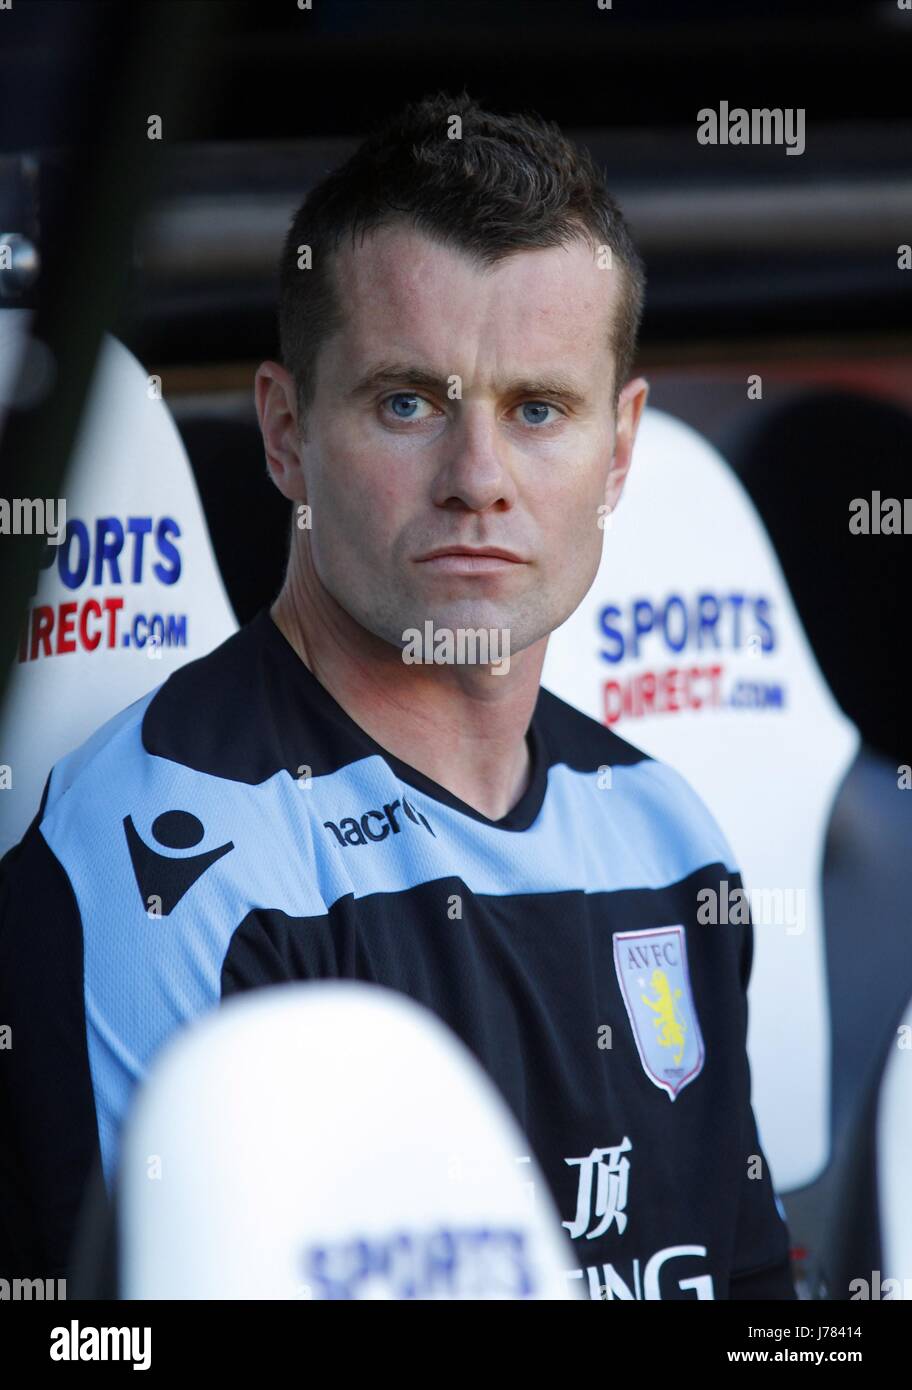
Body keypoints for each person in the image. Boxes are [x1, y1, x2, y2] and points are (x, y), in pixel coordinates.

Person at [0, 90, 795, 1299]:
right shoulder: (170, 867)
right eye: (409, 403)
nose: (478, 479)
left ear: (620, 451)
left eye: (539, 410)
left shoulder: (670, 835)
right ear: (285, 432)